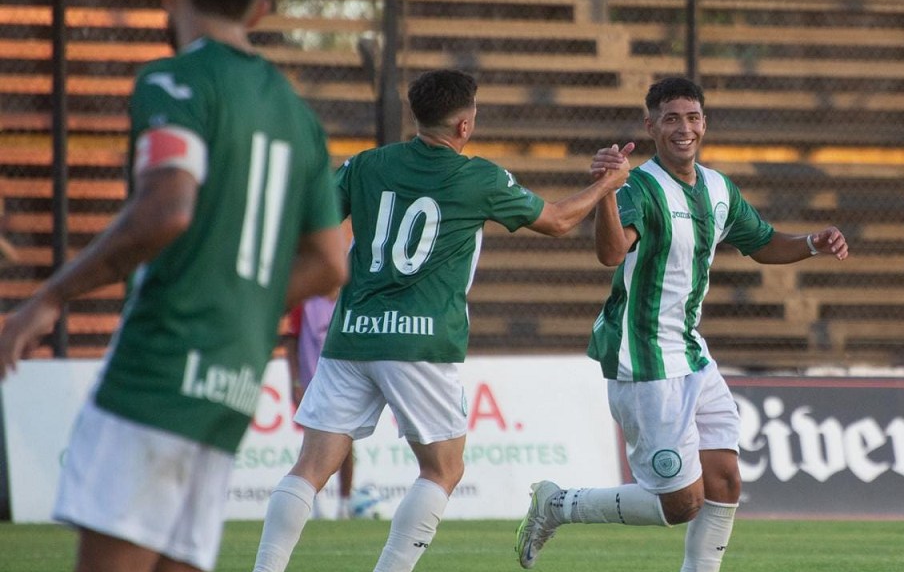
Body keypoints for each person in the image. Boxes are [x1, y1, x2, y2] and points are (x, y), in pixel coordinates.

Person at [0, 0, 348, 570]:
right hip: (229, 386)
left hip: (158, 373)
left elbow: (167, 208)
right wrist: (243, 305)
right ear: (262, 8)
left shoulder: (175, 79)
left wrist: (53, 295)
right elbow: (330, 264)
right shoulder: (297, 114)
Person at [250, 68, 632, 572]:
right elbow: (559, 221)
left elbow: (311, 220)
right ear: (464, 127)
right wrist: (609, 183)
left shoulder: (366, 164)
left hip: (353, 337)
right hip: (422, 342)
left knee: (310, 466)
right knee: (443, 469)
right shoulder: (479, 177)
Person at [514, 76, 849, 572]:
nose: (683, 128)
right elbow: (609, 253)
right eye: (671, 118)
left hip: (691, 353)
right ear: (651, 126)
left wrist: (810, 243)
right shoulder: (641, 187)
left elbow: (761, 243)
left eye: (692, 117)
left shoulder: (718, 188)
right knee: (681, 504)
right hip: (643, 359)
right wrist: (608, 190)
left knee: (726, 482)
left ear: (704, 123)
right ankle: (557, 504)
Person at [283, 293, 355, 520]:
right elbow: (291, 342)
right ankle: (315, 503)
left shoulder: (351, 297)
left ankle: (345, 503)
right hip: (312, 382)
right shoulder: (305, 304)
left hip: (344, 382)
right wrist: (295, 380)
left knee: (347, 443)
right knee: (313, 445)